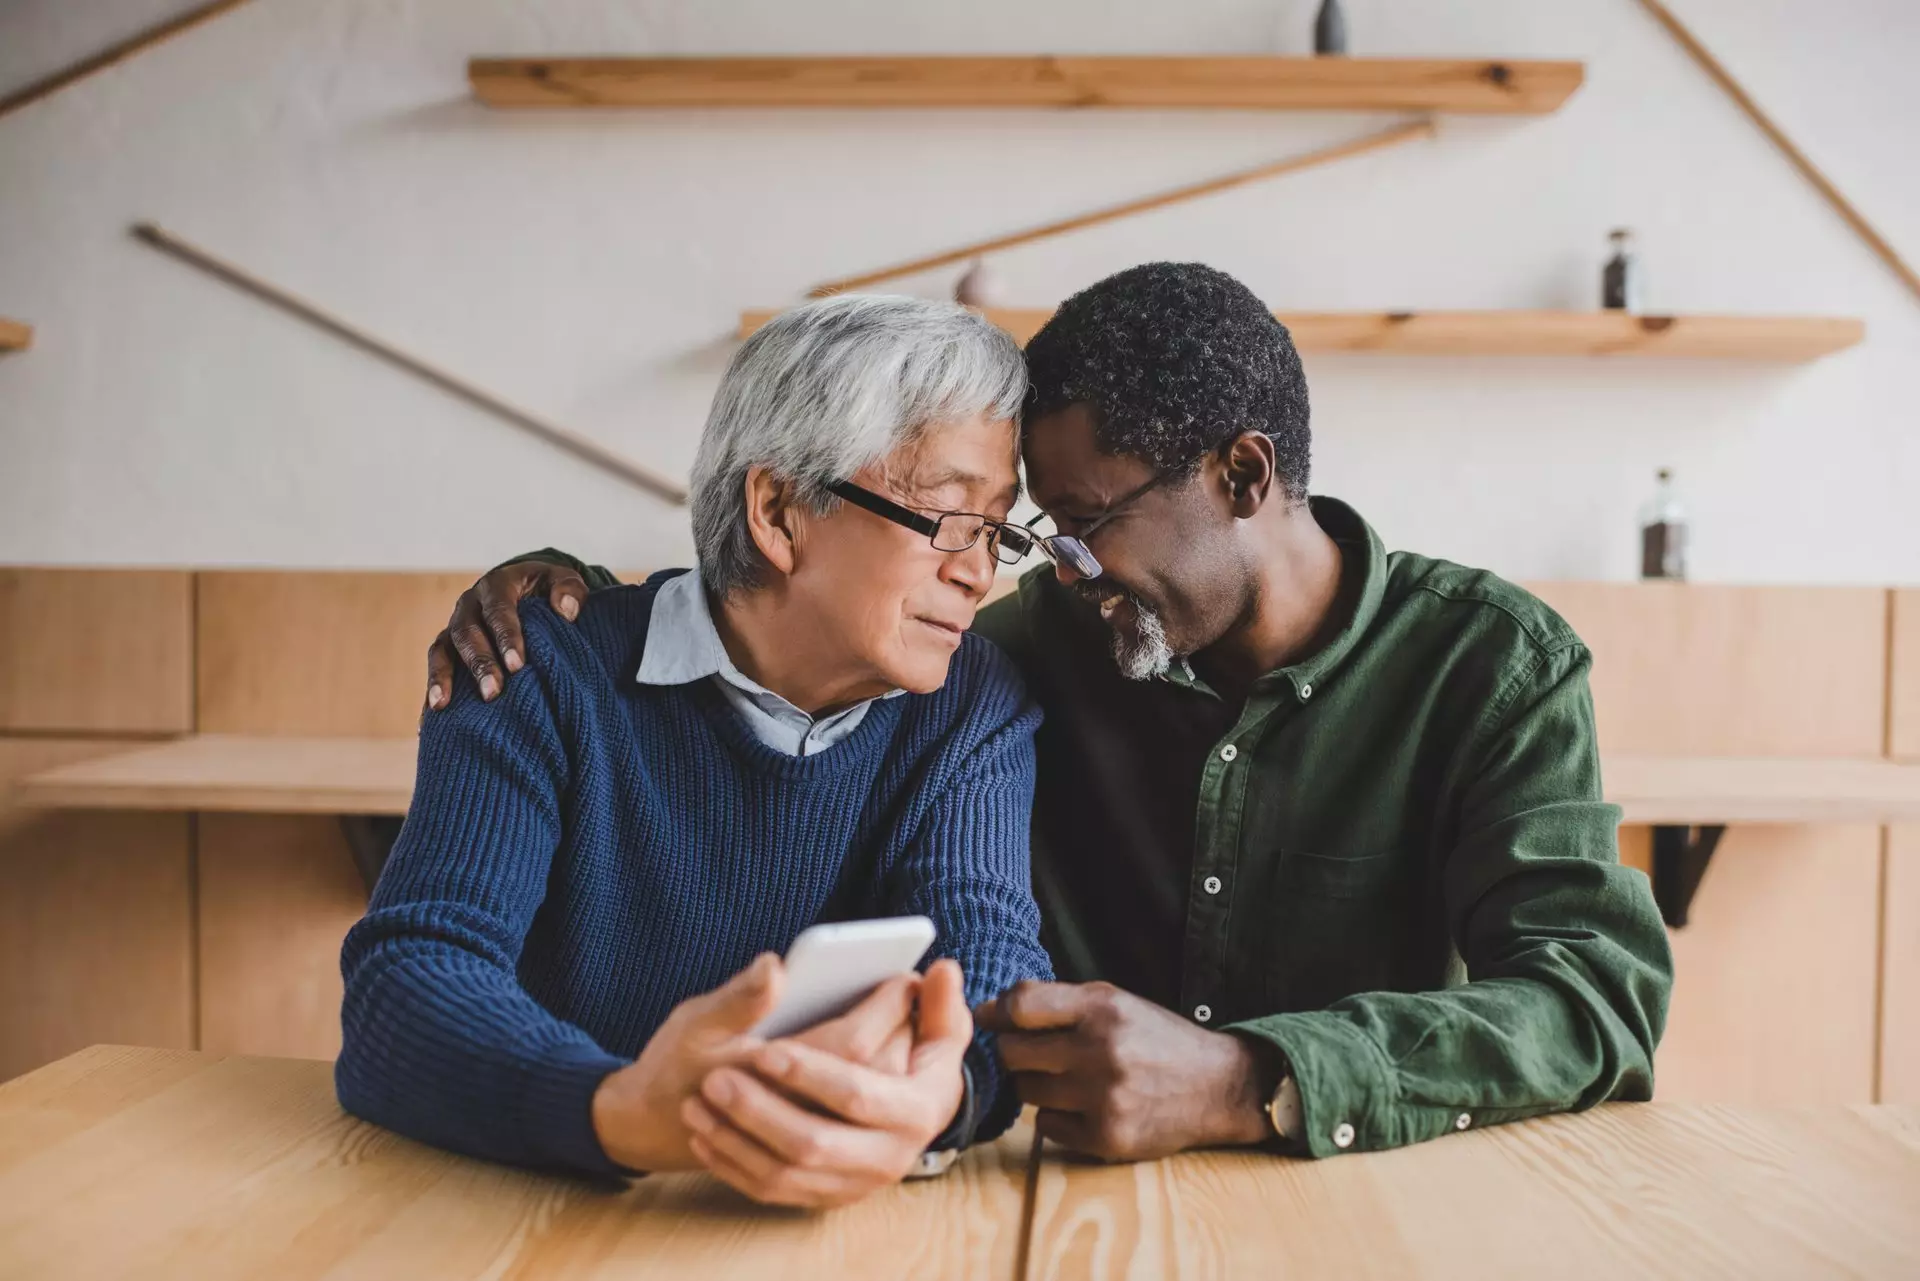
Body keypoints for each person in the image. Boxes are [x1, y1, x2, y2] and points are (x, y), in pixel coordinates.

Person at [425, 263, 1674, 1170]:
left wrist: (1254, 1079)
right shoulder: (1015, 651)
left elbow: (1596, 1001)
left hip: (1364, 1200)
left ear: (1244, 477)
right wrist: (554, 600)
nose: (1034, 569)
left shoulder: (1487, 665)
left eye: (1077, 527)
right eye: (1026, 531)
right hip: (1017, 1199)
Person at [335, 294, 1053, 1207]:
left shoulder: (970, 704)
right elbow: (410, 979)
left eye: (995, 528)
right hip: (540, 1207)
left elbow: (991, 960)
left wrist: (939, 1098)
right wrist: (622, 1110)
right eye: (949, 516)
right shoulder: (539, 668)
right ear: (780, 510)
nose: (978, 570)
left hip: (831, 1221)